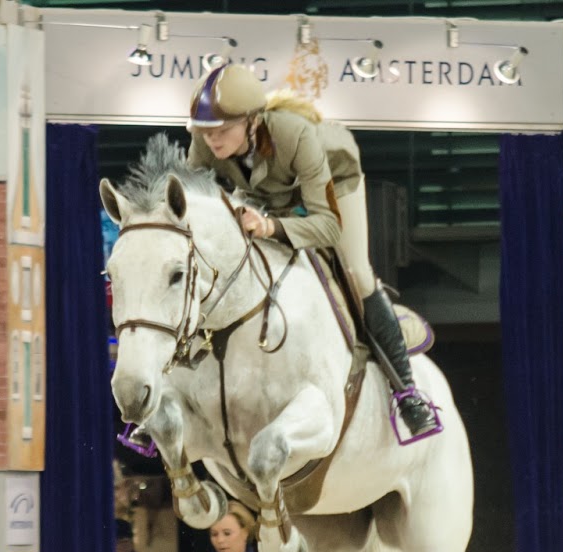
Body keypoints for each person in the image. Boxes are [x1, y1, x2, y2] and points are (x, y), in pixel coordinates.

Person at [184, 63, 440, 443]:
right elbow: (192, 207)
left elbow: (327, 224)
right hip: (266, 192)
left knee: (356, 272)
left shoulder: (295, 134)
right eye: (204, 132)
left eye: (221, 131)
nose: (212, 141)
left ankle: (407, 394)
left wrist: (270, 227)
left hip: (333, 186)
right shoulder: (205, 143)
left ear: (253, 122)